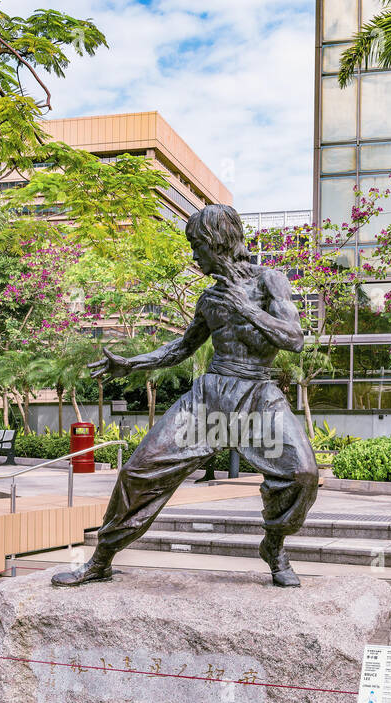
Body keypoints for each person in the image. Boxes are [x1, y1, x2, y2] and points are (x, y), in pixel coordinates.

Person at [52, 204, 318, 589]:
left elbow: (293, 338)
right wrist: (131, 363)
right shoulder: (209, 299)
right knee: (137, 471)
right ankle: (101, 560)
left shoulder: (268, 282)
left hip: (259, 396)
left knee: (303, 474)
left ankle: (274, 546)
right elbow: (182, 347)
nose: (194, 256)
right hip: (211, 397)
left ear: (217, 242)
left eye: (197, 246)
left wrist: (246, 309)